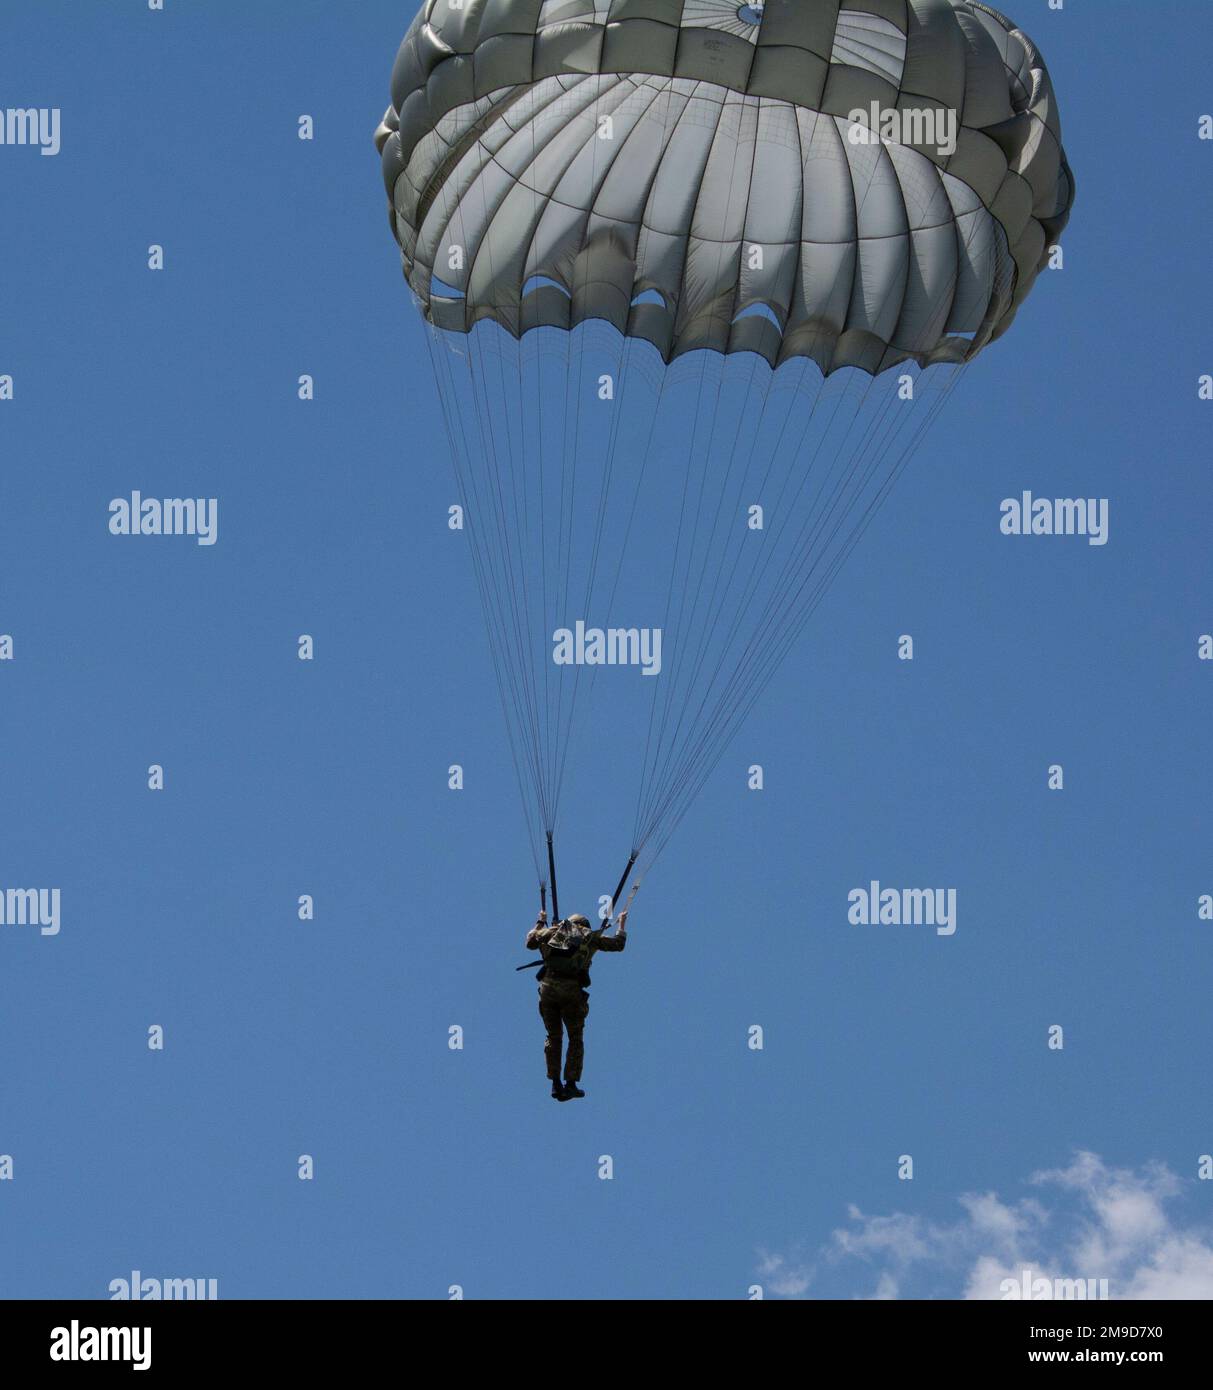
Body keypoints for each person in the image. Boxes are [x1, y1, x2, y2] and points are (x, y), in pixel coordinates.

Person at [526, 908, 627, 1101]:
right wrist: (621, 924)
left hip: (548, 989)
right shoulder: (591, 938)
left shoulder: (555, 931)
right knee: (575, 1037)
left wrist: (540, 921)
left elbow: (530, 941)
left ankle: (555, 1083)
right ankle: (571, 1084)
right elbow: (618, 944)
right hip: (571, 992)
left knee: (553, 1036)